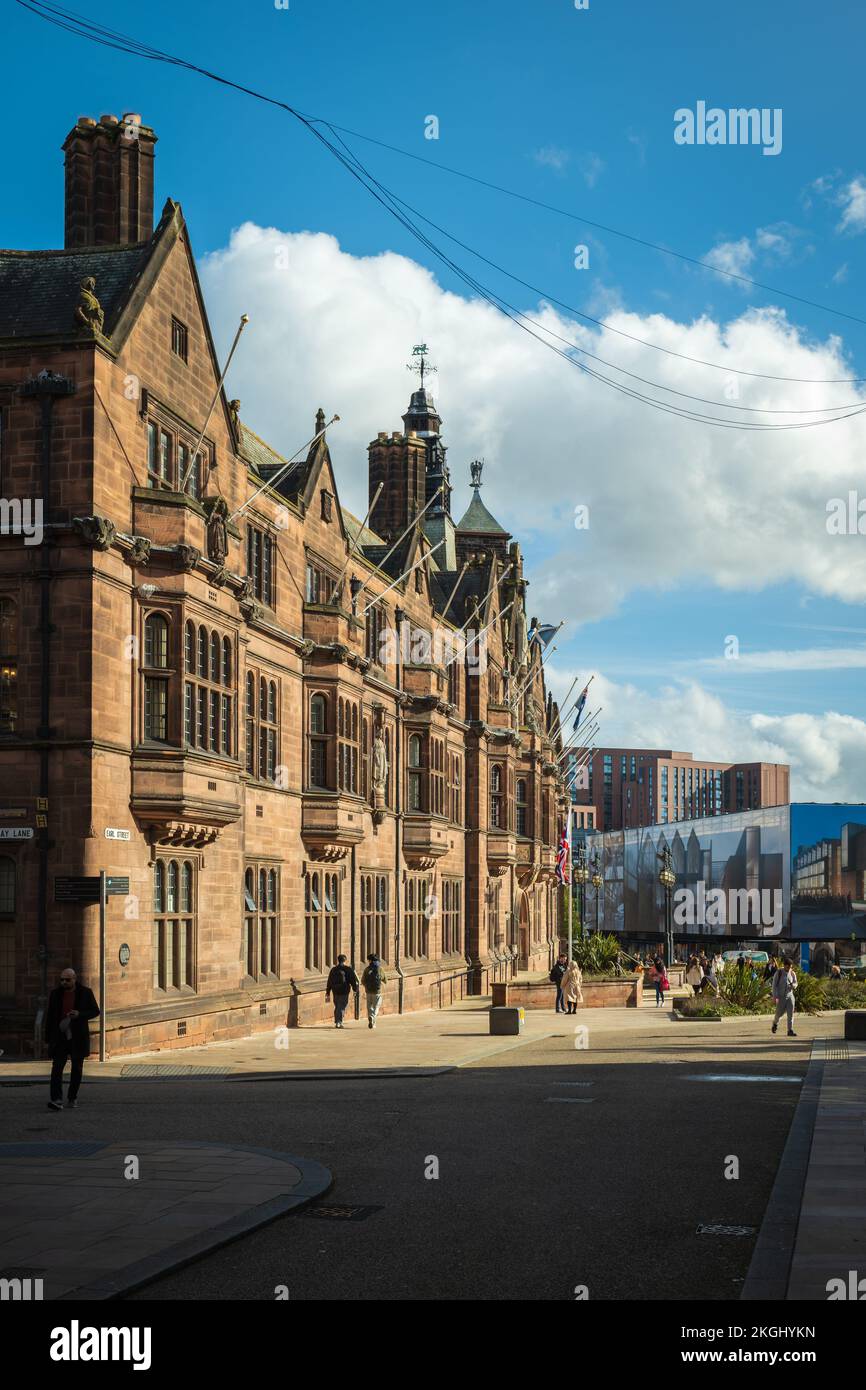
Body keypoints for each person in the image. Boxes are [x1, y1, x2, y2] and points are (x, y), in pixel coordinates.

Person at [45, 967, 100, 1111]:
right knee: (56, 1069)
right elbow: (50, 1017)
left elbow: (95, 1011)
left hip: (77, 1037)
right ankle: (56, 1099)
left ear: (74, 979)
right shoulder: (55, 994)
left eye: (67, 980)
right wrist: (48, 1039)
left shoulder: (85, 993)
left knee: (77, 1069)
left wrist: (80, 1014)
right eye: (62, 979)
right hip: (60, 1037)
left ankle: (72, 1097)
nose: (64, 982)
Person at [325, 954, 359, 1028]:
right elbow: (352, 980)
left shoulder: (333, 969)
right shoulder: (348, 969)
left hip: (335, 990)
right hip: (344, 990)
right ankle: (339, 1022)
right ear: (345, 960)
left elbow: (329, 981)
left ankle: (337, 1021)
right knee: (341, 1006)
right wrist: (355, 990)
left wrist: (328, 991)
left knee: (337, 1006)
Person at [771, 959, 797, 1038]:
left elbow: (796, 983)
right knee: (779, 1014)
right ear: (784, 965)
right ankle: (775, 1024)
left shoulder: (792, 973)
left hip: (790, 995)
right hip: (781, 997)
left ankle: (790, 1030)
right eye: (787, 967)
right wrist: (775, 997)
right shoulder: (779, 972)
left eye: (790, 967)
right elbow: (774, 985)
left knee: (790, 1014)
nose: (789, 969)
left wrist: (794, 985)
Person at [361, 953, 388, 1029]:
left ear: (369, 961)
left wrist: (366, 986)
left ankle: (372, 1020)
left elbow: (362, 981)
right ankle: (372, 1018)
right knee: (376, 1006)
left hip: (368, 991)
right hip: (377, 991)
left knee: (369, 1007)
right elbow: (385, 980)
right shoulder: (380, 969)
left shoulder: (367, 969)